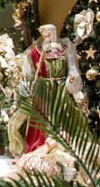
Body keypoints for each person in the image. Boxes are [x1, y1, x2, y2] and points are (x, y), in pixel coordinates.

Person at [9, 23, 85, 157]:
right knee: (42, 120)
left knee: (63, 118)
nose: (49, 35)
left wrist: (71, 81)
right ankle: (42, 147)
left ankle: (65, 146)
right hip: (42, 93)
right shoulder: (34, 52)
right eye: (46, 32)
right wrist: (29, 89)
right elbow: (28, 75)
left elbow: (71, 68)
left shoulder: (64, 49)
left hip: (61, 92)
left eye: (51, 32)